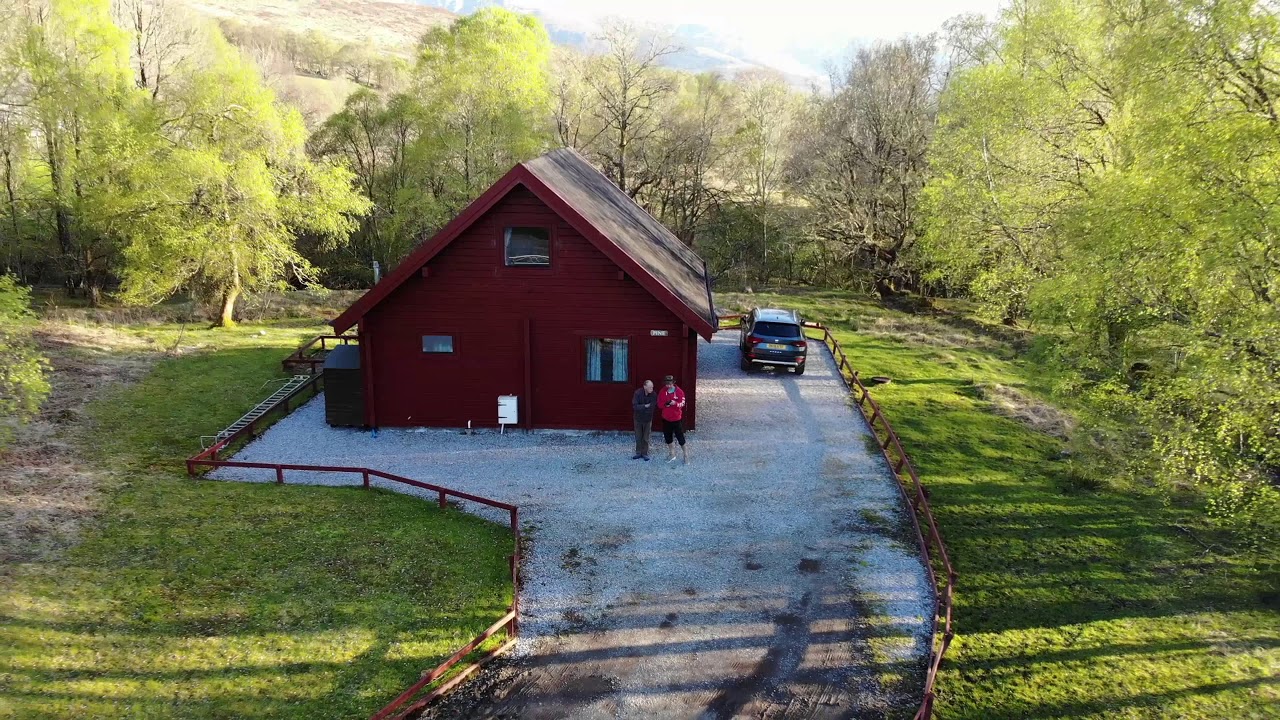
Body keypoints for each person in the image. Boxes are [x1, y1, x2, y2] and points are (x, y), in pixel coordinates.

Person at [659, 374, 688, 464]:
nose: (668, 386)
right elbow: (659, 404)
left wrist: (674, 403)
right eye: (666, 384)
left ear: (673, 383)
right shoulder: (662, 391)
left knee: (680, 437)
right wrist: (665, 405)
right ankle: (672, 454)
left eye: (670, 384)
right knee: (668, 437)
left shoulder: (679, 392)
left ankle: (686, 455)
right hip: (666, 418)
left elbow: (682, 404)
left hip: (676, 419)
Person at [631, 379, 656, 460]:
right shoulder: (637, 393)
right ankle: (638, 452)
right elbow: (635, 406)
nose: (651, 389)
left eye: (652, 387)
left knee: (646, 437)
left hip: (648, 419)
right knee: (638, 436)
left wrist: (642, 407)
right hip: (638, 419)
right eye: (650, 387)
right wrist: (645, 406)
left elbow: (652, 406)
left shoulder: (653, 395)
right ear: (644, 387)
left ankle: (644, 453)